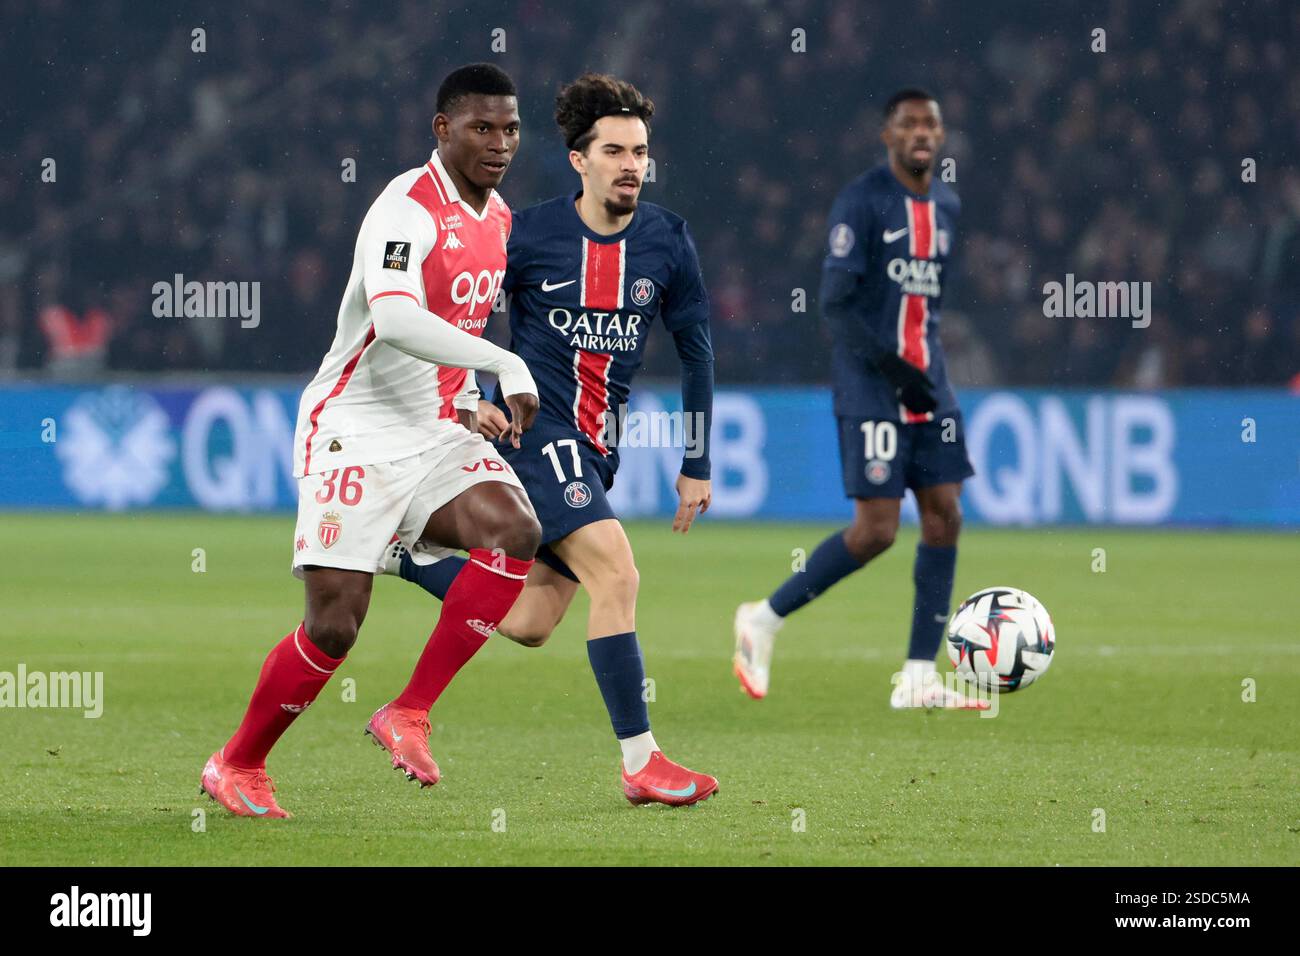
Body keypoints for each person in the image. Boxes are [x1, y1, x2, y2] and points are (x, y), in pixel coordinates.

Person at [200, 63, 543, 818]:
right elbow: (393, 320)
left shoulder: (500, 219)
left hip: (431, 430)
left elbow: (453, 331)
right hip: (352, 430)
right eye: (482, 128)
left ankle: (409, 710)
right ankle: (237, 764)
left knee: (515, 531)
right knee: (335, 623)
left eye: (510, 129)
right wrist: (504, 362)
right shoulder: (403, 208)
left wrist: (466, 400)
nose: (499, 143)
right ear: (442, 129)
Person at [389, 73, 719, 806]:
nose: (631, 164)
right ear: (580, 160)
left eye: (640, 151)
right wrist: (476, 394)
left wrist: (696, 460)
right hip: (540, 433)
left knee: (532, 621)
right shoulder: (528, 232)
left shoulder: (668, 240)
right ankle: (642, 762)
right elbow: (466, 313)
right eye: (614, 150)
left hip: (599, 447)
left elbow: (697, 351)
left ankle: (403, 554)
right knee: (619, 576)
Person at [733, 88, 984, 710]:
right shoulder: (863, 202)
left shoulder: (947, 206)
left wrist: (922, 370)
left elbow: (929, 303)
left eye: (931, 122)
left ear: (941, 135)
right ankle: (764, 617)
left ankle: (919, 676)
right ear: (888, 135)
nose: (922, 132)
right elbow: (836, 307)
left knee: (945, 514)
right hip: (872, 385)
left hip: (930, 384)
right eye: (908, 124)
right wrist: (893, 369)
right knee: (876, 530)